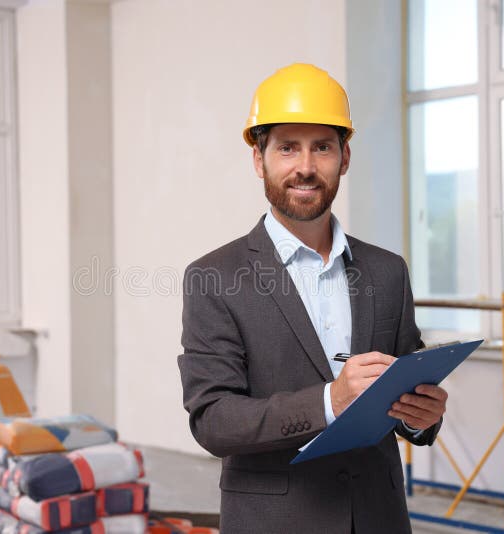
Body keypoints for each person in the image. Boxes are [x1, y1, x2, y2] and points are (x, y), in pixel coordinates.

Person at [177, 63, 448, 534]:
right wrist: (330, 400)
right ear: (259, 160)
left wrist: (421, 417)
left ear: (344, 157)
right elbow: (214, 421)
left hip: (378, 518)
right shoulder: (213, 278)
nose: (305, 166)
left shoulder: (387, 272)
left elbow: (405, 382)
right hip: (274, 521)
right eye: (287, 148)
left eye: (321, 147)